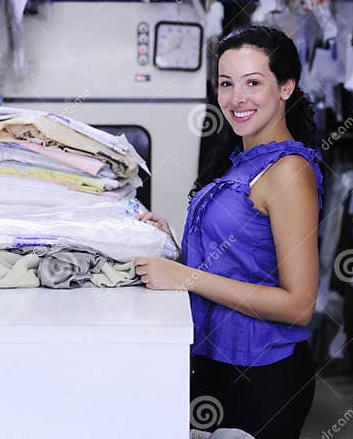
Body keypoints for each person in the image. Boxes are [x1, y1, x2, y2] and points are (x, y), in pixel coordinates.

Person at [135, 25, 323, 439]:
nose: (237, 98)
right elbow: (241, 265)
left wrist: (186, 276)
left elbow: (299, 305)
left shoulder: (289, 172)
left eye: (253, 82)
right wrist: (179, 249)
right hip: (214, 362)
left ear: (286, 87)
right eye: (226, 83)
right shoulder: (242, 160)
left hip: (262, 376)